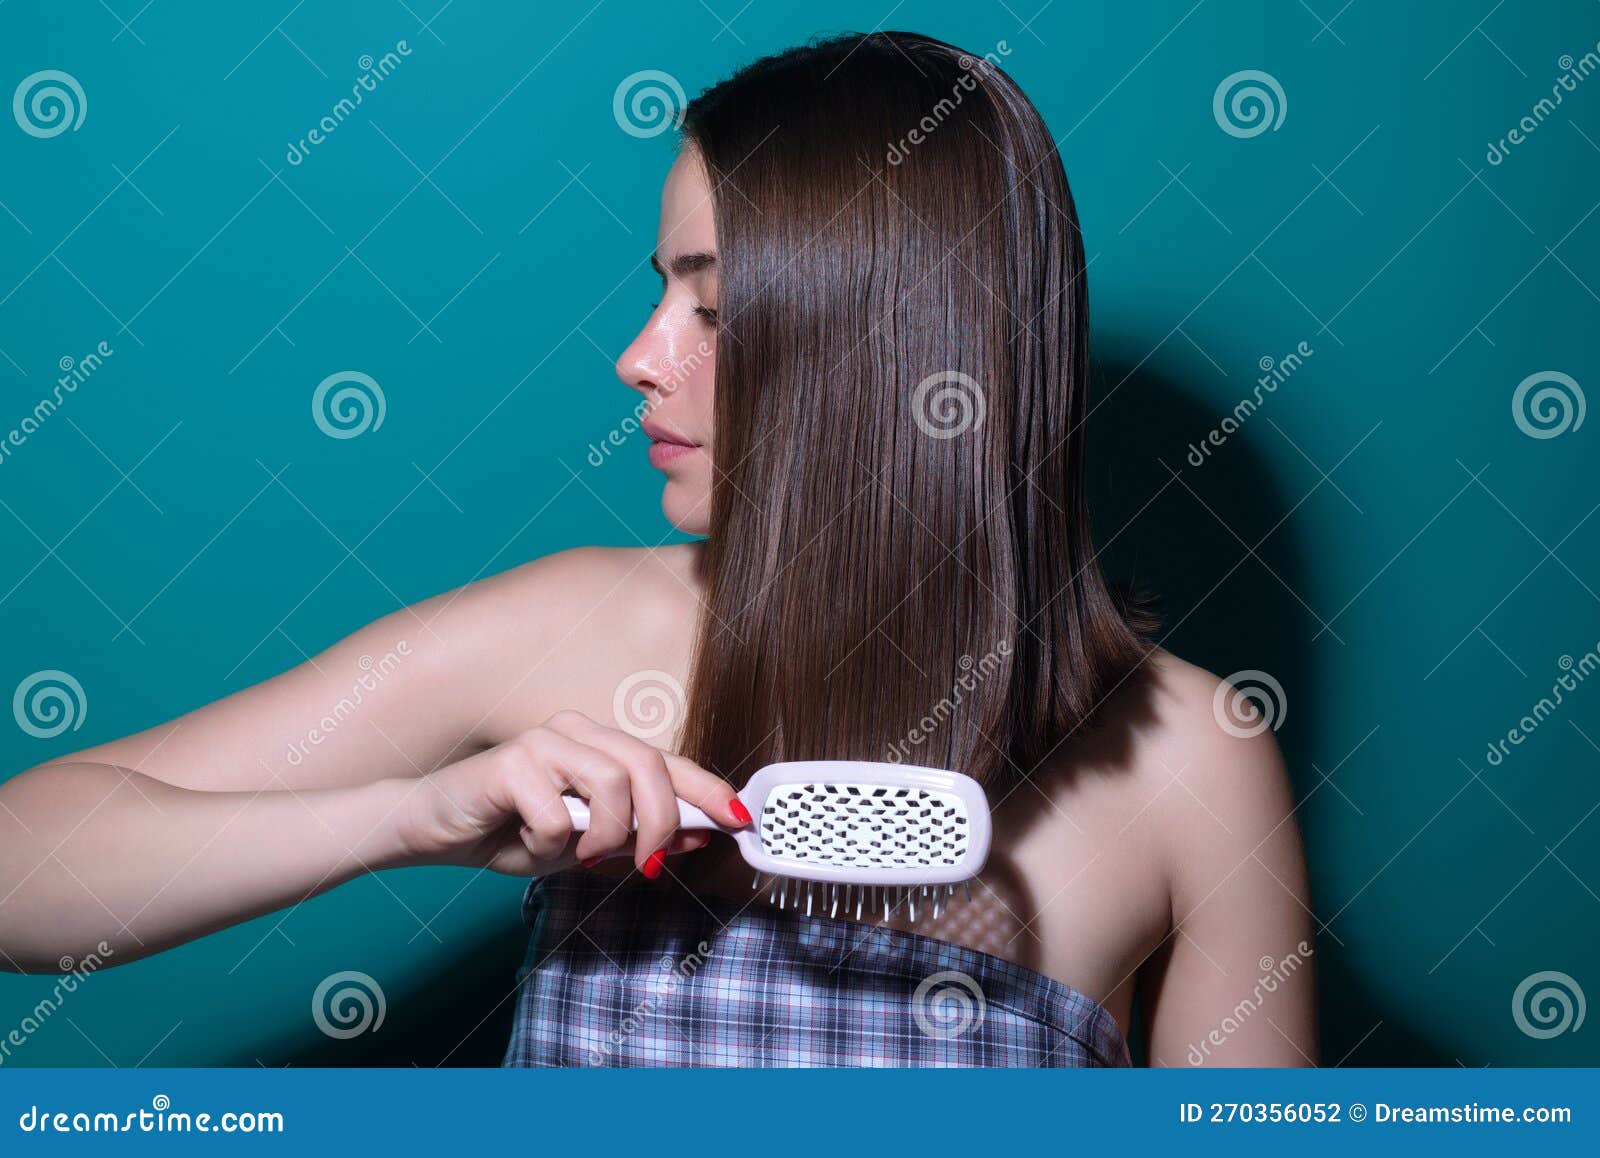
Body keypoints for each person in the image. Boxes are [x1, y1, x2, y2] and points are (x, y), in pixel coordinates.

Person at [0, 31, 1314, 1067]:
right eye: (657, 291)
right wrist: (401, 820)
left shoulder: (1195, 760)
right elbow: (23, 873)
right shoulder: (565, 626)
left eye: (715, 308)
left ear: (892, 350)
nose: (638, 358)